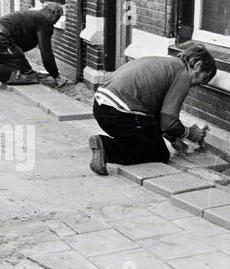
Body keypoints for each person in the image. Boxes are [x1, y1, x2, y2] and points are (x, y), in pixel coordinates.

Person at [87, 40, 217, 175]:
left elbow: (156, 114)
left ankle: (110, 145)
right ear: (198, 65)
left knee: (146, 139)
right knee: (158, 153)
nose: (198, 85)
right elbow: (169, 121)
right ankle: (106, 147)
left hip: (102, 108)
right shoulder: (183, 74)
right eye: (203, 78)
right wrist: (191, 133)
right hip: (120, 113)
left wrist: (172, 138)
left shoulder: (167, 65)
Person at [0, 3, 63, 90]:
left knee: (16, 69)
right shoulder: (45, 21)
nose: (55, 22)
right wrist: (55, 75)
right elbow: (46, 52)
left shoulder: (32, 15)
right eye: (57, 18)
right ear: (53, 15)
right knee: (24, 74)